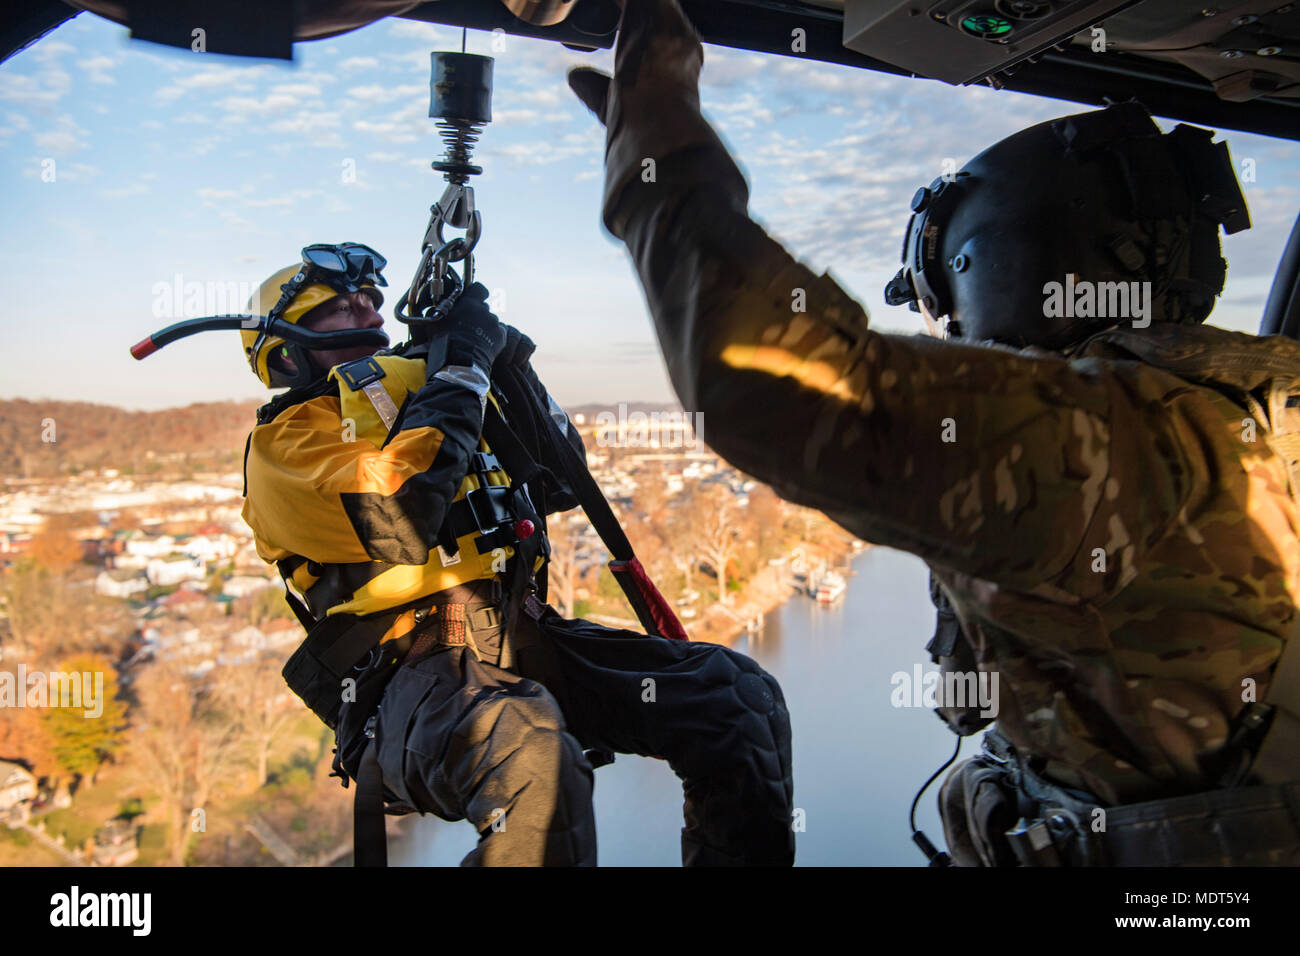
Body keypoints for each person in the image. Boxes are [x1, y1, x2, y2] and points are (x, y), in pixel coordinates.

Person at [568, 0, 1300, 865]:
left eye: (951, 316)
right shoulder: (1257, 406)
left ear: (1006, 268)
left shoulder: (1110, 441)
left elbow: (768, 385)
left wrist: (658, 154)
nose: (959, 347)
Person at [238, 242, 795, 866]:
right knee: (530, 755)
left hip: (521, 639)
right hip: (408, 682)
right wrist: (464, 369)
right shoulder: (283, 449)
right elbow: (398, 514)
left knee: (734, 699)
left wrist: (508, 362)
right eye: (343, 308)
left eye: (371, 302)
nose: (371, 316)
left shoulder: (422, 400)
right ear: (285, 351)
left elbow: (560, 479)